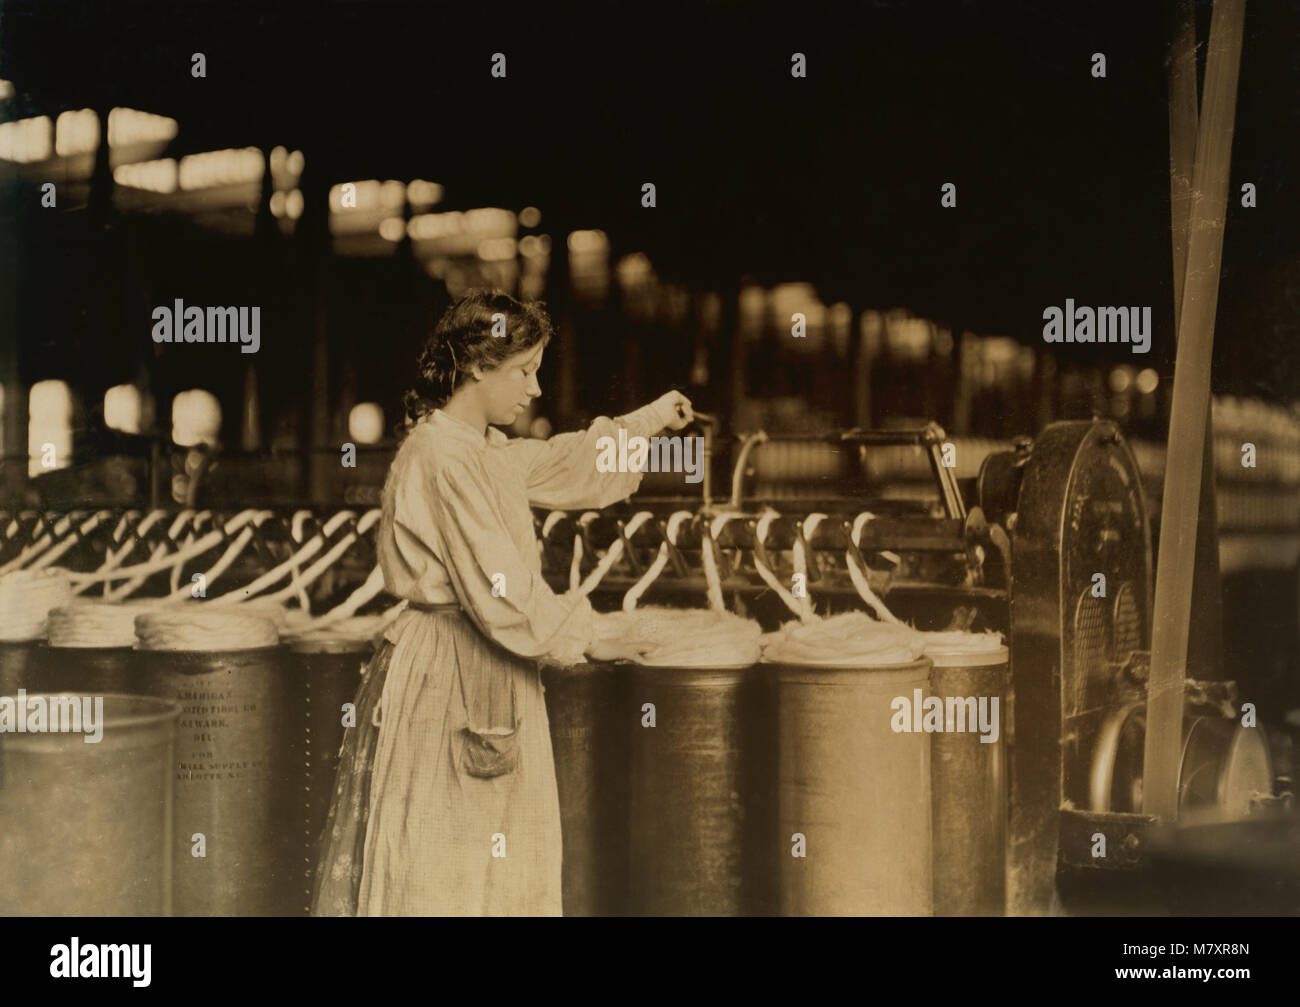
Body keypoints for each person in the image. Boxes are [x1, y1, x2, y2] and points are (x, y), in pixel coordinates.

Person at [312, 289, 694, 916]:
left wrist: (650, 418)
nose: (536, 388)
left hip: (489, 663)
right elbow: (501, 588)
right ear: (478, 367)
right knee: (444, 864)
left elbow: (566, 462)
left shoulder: (480, 449)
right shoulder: (440, 455)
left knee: (495, 861)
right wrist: (588, 637)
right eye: (524, 370)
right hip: (449, 669)